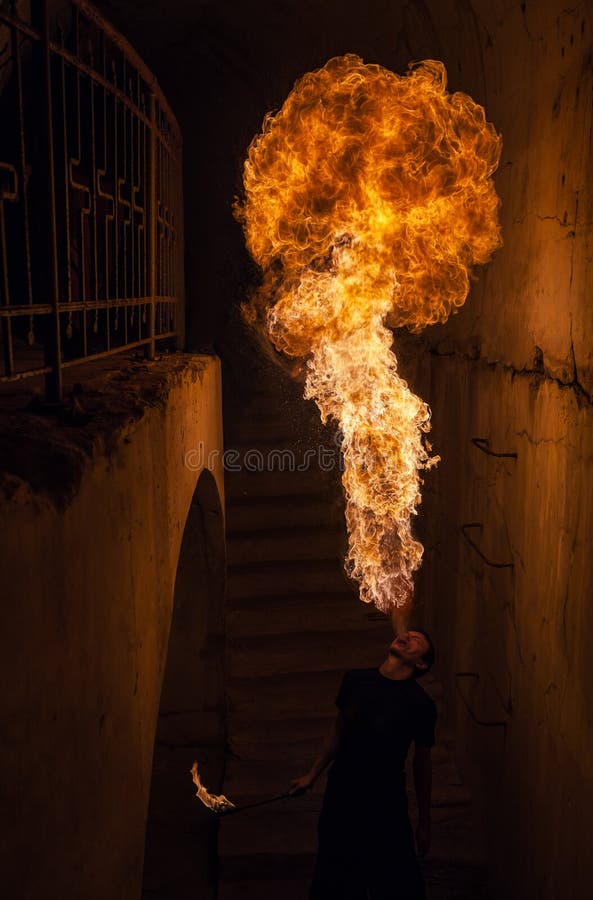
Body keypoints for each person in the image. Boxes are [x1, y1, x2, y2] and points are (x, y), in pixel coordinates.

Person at [290, 630, 437, 900]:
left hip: (385, 799)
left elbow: (422, 763)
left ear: (421, 664)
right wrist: (312, 775)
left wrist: (425, 821)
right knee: (336, 874)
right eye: (408, 633)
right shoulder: (356, 680)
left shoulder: (420, 704)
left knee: (395, 880)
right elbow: (337, 733)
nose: (407, 636)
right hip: (342, 790)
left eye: (417, 640)